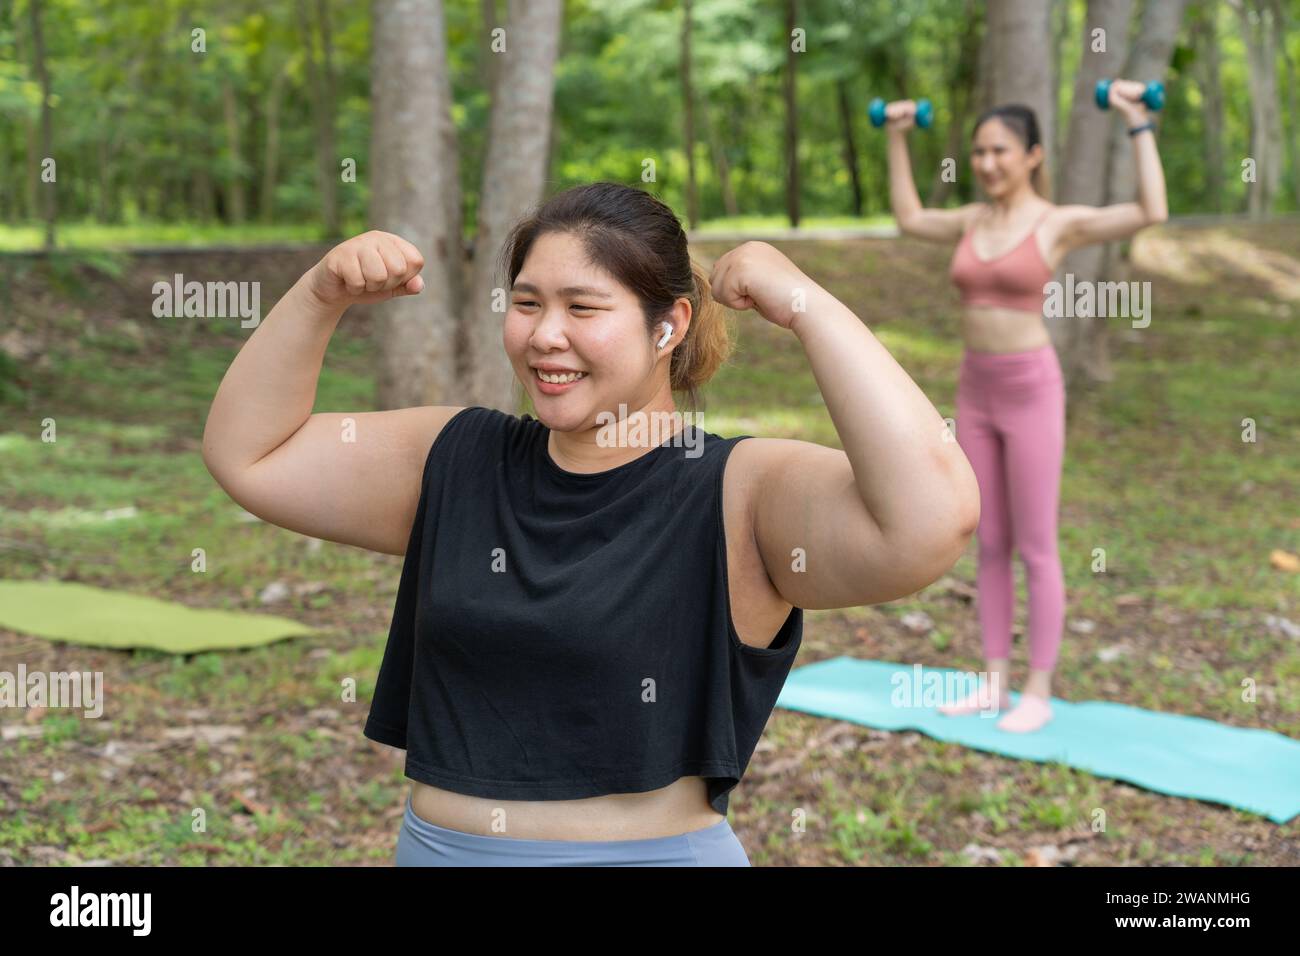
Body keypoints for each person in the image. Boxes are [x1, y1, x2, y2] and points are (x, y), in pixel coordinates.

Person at [201, 181, 980, 865]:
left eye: (583, 307)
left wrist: (806, 305)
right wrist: (318, 294)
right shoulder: (457, 458)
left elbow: (930, 518)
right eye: (529, 302)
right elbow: (251, 456)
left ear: (668, 326)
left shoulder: (738, 490)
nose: (545, 334)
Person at [880, 86, 1168, 732]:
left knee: (1037, 545)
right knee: (988, 540)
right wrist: (897, 134)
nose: (985, 163)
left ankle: (1037, 689)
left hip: (1032, 388)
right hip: (974, 390)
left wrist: (1136, 120)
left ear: (1033, 155)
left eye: (1000, 151)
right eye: (979, 152)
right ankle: (993, 683)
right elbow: (907, 218)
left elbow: (1152, 208)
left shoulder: (1056, 223)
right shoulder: (969, 222)